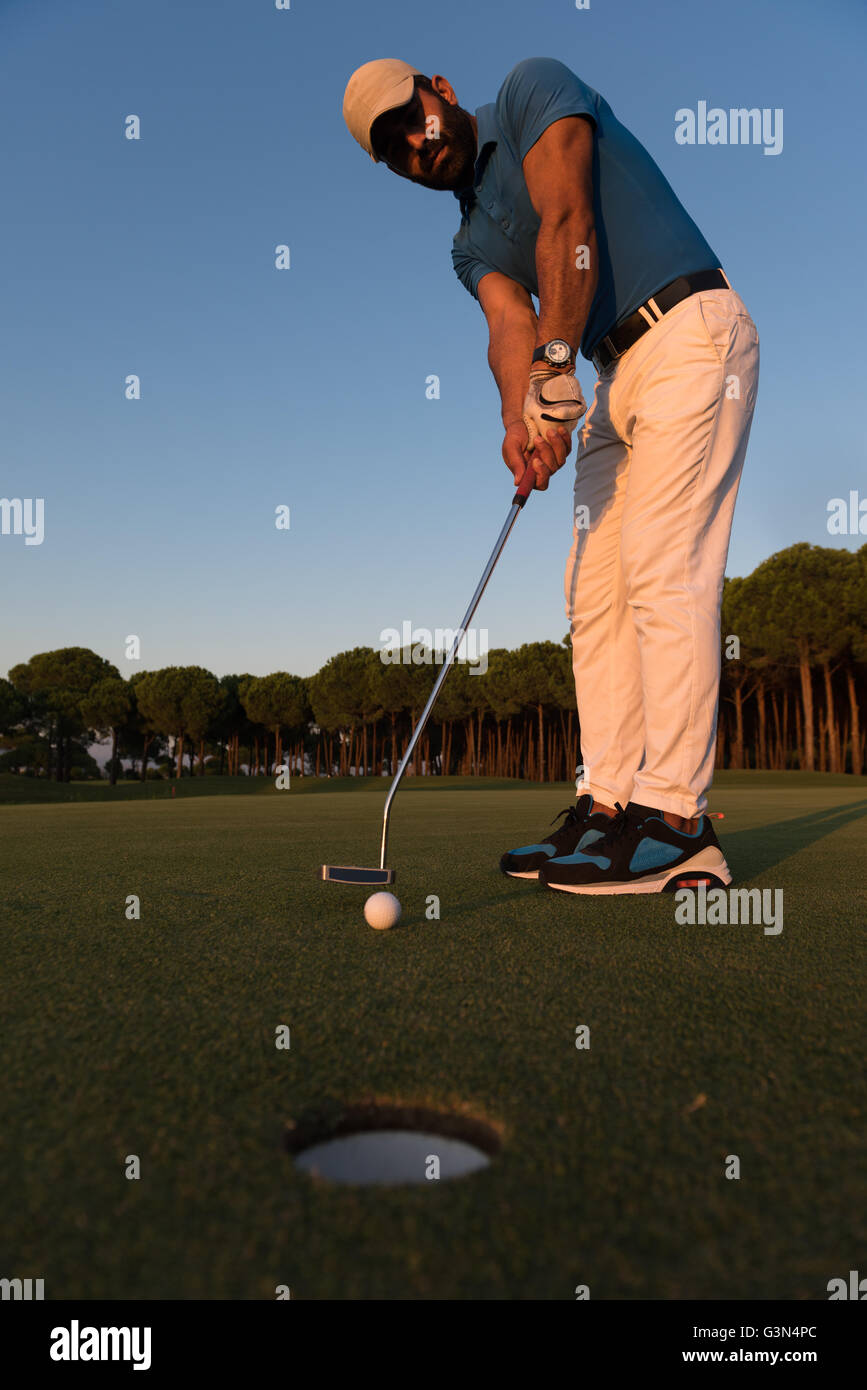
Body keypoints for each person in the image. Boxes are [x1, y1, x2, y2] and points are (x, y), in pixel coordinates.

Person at [343, 56, 759, 895]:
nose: (417, 145)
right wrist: (520, 421)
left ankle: (678, 823)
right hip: (611, 376)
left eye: (412, 119)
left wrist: (555, 365)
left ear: (440, 90)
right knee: (592, 593)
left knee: (660, 567)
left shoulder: (532, 91)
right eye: (394, 150)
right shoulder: (466, 245)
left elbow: (566, 218)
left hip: (687, 330)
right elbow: (509, 323)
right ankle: (607, 807)